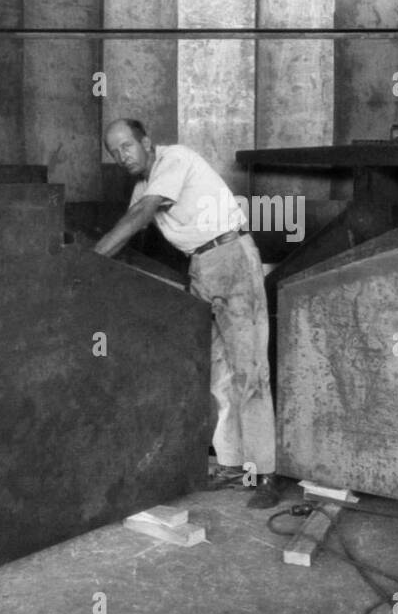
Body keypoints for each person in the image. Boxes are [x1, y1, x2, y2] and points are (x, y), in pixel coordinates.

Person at [95, 118, 280, 509]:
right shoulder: (143, 186)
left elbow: (138, 219)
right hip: (200, 265)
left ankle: (264, 473)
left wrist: (88, 260)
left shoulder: (174, 160)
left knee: (249, 369)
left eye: (127, 145)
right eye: (115, 152)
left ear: (147, 142)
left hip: (230, 257)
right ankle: (233, 466)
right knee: (217, 373)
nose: (122, 155)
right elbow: (128, 229)